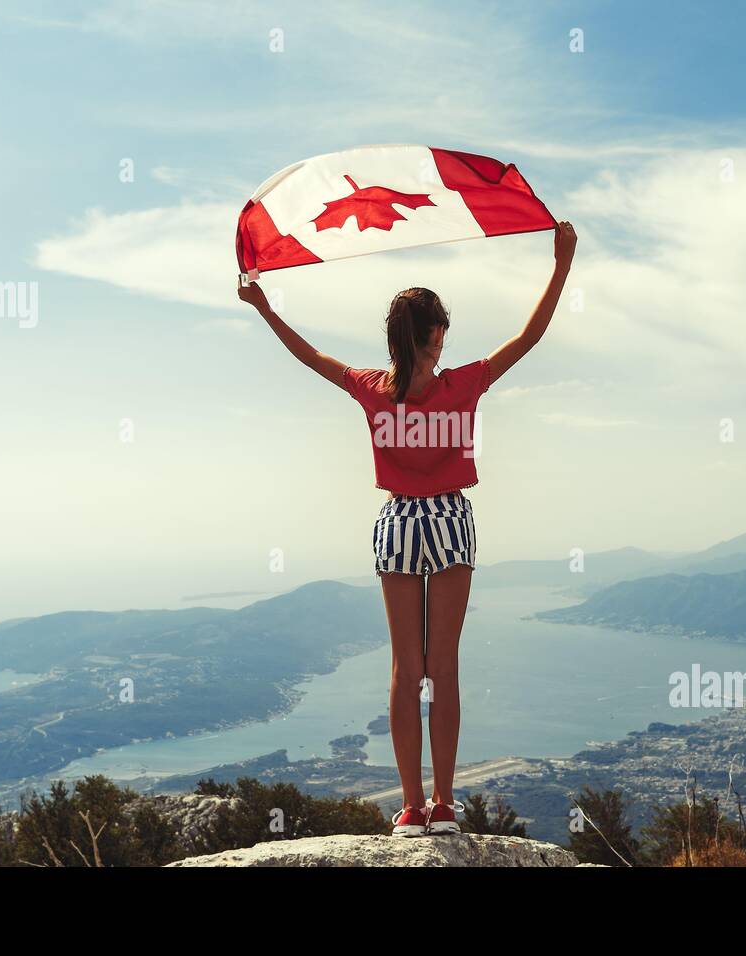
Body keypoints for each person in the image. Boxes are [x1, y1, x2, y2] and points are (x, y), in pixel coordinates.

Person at [237, 221, 577, 836]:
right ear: (435, 334)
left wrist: (264, 305)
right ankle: (444, 804)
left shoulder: (373, 389)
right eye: (442, 331)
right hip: (449, 519)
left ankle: (411, 808)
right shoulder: (463, 383)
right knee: (442, 667)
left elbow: (310, 356)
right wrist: (561, 264)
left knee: (405, 669)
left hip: (397, 523)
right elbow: (530, 335)